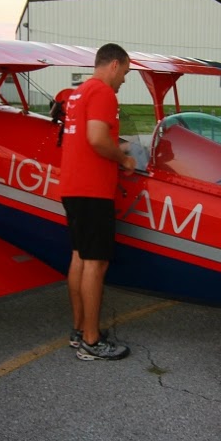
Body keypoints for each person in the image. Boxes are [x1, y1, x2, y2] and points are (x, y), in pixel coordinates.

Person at [59, 44, 135, 361]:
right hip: (93, 191)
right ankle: (92, 340)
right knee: (96, 263)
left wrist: (120, 144)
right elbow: (97, 139)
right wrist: (124, 158)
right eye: (126, 73)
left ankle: (79, 331)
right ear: (114, 65)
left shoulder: (79, 92)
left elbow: (86, 135)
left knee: (80, 257)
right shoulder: (104, 93)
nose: (124, 81)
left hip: (72, 188)